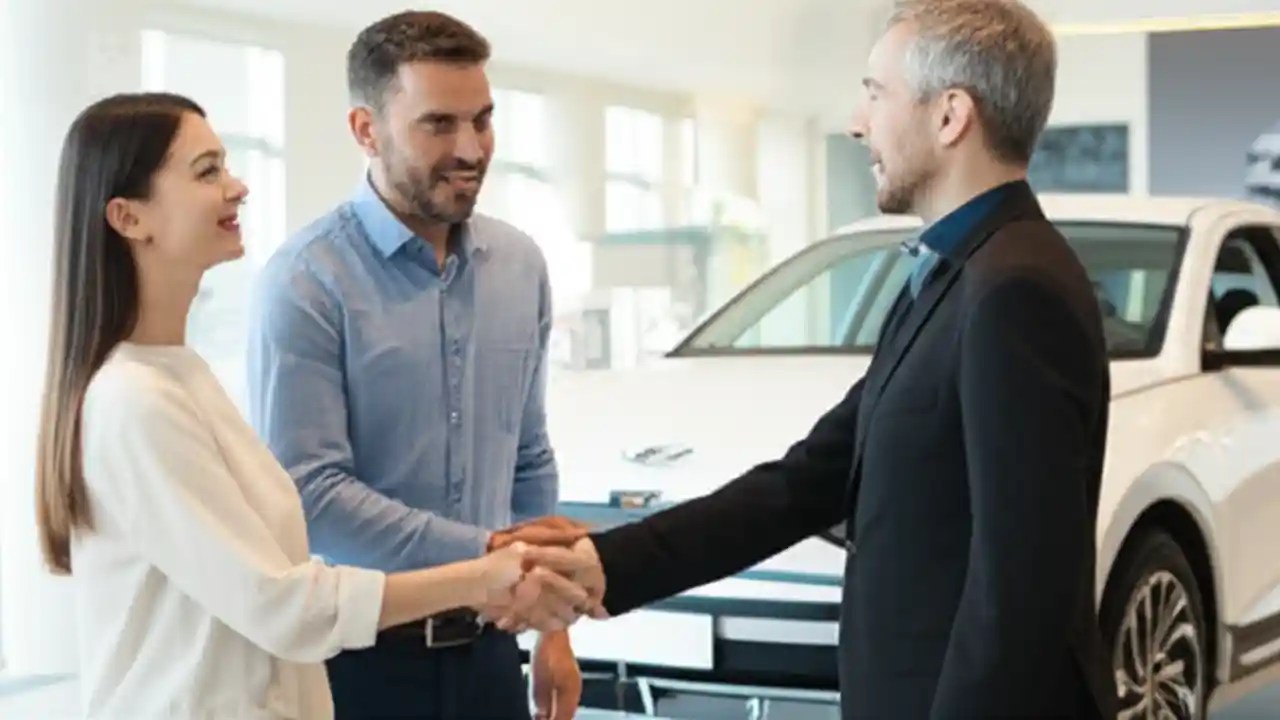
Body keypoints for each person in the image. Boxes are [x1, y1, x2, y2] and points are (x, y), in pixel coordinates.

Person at [515, 0, 1119, 717]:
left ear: (951, 115)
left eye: (875, 93)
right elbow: (808, 481)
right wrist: (606, 565)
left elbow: (1021, 591)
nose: (858, 123)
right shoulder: (957, 273)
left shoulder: (1014, 289)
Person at [33, 92, 585, 720]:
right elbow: (282, 604)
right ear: (129, 218)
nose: (237, 188)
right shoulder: (135, 401)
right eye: (207, 171)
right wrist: (485, 572)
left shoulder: (184, 378)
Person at [246, 10, 584, 720]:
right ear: (366, 130)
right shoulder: (308, 281)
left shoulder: (520, 266)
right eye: (439, 125)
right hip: (357, 663)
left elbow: (527, 458)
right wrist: (488, 553)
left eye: (483, 120)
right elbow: (310, 493)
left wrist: (554, 629)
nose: (471, 148)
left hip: (493, 654)